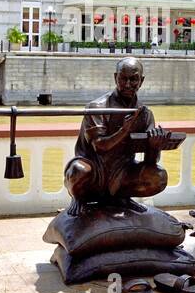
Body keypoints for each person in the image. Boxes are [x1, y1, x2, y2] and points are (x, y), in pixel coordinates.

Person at [63, 58, 173, 216]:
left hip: (122, 172)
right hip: (94, 170)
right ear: (116, 78)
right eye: (123, 78)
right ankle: (79, 199)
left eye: (133, 79)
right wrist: (124, 131)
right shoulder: (97, 107)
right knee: (78, 171)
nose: (128, 84)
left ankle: (121, 197)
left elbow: (150, 162)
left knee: (159, 177)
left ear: (141, 81)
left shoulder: (145, 114)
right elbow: (99, 146)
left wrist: (155, 146)